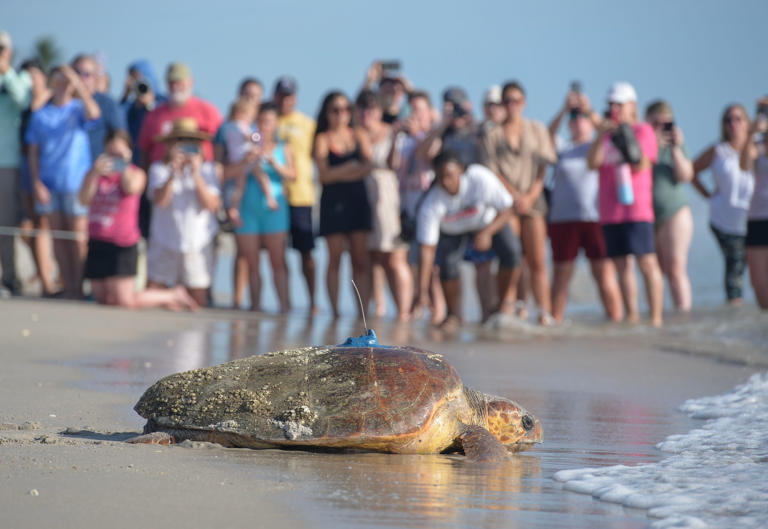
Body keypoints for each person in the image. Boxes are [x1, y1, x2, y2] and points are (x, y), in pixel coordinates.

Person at [78, 130, 197, 309]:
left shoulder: (136, 173)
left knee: (125, 301)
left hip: (122, 242)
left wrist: (124, 166)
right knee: (102, 297)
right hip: (98, 240)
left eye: (119, 153)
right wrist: (94, 174)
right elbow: (83, 199)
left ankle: (173, 294)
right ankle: (168, 297)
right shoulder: (94, 174)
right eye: (110, 153)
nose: (114, 158)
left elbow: (131, 188)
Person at [415, 150, 522, 329]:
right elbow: (427, 250)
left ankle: (501, 306)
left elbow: (507, 208)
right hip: (452, 231)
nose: (446, 182)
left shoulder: (480, 178)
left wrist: (487, 232)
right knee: (447, 263)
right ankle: (452, 314)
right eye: (440, 177)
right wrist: (422, 291)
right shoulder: (431, 201)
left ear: (462, 170)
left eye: (450, 175)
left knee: (512, 251)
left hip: (487, 223)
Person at [479, 80, 557, 324]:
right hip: (505, 202)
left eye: (516, 100)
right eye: (507, 101)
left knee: (537, 260)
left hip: (533, 199)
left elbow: (543, 167)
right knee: (511, 257)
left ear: (524, 102)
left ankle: (544, 313)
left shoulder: (537, 129)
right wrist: (513, 195)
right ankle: (509, 310)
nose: (512, 105)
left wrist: (530, 195)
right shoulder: (492, 134)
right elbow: (491, 171)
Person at [587, 82, 664, 326]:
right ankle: (632, 317)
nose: (615, 109)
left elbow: (641, 164)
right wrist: (600, 134)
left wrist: (625, 134)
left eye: (619, 104)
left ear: (632, 105)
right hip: (611, 211)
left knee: (647, 262)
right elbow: (592, 163)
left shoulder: (643, 130)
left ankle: (655, 318)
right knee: (621, 266)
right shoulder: (605, 134)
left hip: (637, 209)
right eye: (611, 105)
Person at [546, 88, 622, 323]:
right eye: (574, 119)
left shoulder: (601, 144)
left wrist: (588, 109)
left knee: (603, 273)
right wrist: (564, 109)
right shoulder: (562, 147)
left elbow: (609, 130)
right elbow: (547, 135)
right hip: (563, 219)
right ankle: (555, 320)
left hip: (594, 217)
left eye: (582, 119)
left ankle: (617, 322)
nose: (578, 122)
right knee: (561, 275)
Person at [26, 64, 102, 299]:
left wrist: (77, 83)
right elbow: (33, 152)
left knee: (78, 238)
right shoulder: (41, 114)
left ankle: (80, 287)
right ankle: (69, 287)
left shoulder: (78, 109)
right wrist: (36, 182)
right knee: (58, 238)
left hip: (76, 183)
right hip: (49, 183)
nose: (63, 83)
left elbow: (95, 114)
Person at [137, 62, 223, 237]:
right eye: (171, 82)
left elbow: (220, 144)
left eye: (179, 81)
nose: (175, 86)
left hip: (200, 176)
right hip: (164, 177)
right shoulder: (155, 115)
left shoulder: (207, 110)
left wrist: (214, 171)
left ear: (190, 82)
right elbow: (145, 150)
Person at [146, 118, 221, 307]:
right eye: (179, 141)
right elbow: (160, 201)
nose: (185, 147)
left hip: (197, 241)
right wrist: (172, 173)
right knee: (154, 292)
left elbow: (211, 204)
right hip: (164, 239)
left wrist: (196, 174)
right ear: (169, 145)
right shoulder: (159, 169)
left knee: (198, 300)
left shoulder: (208, 170)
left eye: (190, 142)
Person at [312, 91, 373, 318]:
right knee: (335, 258)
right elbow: (323, 176)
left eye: (346, 109)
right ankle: (335, 311)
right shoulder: (322, 138)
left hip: (357, 200)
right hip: (333, 202)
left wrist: (337, 173)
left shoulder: (359, 134)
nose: (341, 114)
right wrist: (349, 168)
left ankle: (362, 312)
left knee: (360, 258)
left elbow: (368, 166)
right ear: (327, 112)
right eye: (335, 110)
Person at [356, 89, 413, 321]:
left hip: (386, 194)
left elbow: (393, 164)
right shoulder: (355, 133)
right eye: (363, 109)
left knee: (394, 255)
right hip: (361, 194)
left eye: (372, 109)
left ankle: (404, 311)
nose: (367, 114)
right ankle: (376, 309)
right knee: (369, 256)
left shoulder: (391, 131)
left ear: (380, 111)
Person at [391, 90, 446, 324]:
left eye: (419, 110)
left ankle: (438, 310)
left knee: (432, 264)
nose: (414, 114)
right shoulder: (402, 140)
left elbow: (432, 156)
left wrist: (417, 134)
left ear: (430, 113)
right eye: (411, 109)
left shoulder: (434, 136)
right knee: (411, 260)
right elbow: (392, 165)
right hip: (406, 204)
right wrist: (396, 136)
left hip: (430, 205)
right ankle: (416, 306)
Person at [234, 102, 295, 313]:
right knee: (251, 262)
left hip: (274, 210)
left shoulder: (283, 148)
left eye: (268, 121)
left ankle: (284, 307)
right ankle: (255, 306)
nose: (264, 126)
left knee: (277, 260)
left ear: (276, 123)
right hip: (248, 208)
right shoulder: (247, 148)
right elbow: (236, 175)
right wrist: (248, 159)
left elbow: (293, 175)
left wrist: (274, 163)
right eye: (260, 121)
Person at [692, 104, 754, 307]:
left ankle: (755, 316)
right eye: (728, 120)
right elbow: (691, 171)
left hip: (754, 217)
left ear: (747, 122)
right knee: (735, 266)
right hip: (724, 220)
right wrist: (708, 194)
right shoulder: (718, 150)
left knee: (757, 268)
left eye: (738, 119)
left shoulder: (759, 147)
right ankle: (734, 315)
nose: (733, 124)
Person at [645, 100, 694, 312]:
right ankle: (661, 318)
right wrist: (652, 142)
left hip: (675, 213)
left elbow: (686, 175)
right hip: (648, 215)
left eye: (666, 123)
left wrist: (675, 148)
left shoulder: (677, 145)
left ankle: (683, 316)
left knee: (675, 270)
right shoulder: (642, 143)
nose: (661, 127)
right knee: (655, 270)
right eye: (655, 123)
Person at [273, 76, 318, 312]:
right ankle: (285, 302)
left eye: (289, 96)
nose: (285, 100)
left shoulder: (308, 124)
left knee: (305, 252)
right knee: (277, 254)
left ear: (296, 98)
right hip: (274, 196)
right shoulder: (268, 121)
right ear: (274, 96)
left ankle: (312, 302)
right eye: (281, 95)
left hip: (301, 195)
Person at [17, 59, 55, 296]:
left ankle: (49, 280)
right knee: (26, 226)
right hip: (24, 165)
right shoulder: (21, 102)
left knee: (44, 225)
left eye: (34, 74)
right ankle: (43, 273)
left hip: (47, 166)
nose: (31, 80)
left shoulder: (52, 100)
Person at [0, 30, 32, 296]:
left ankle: (9, 277)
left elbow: (22, 99)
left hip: (7, 163)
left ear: (9, 52)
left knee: (6, 224)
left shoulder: (19, 78)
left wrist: (5, 71)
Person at [739, 98, 768, 309]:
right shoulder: (757, 142)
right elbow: (744, 165)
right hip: (756, 216)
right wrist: (750, 134)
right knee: (758, 282)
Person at [71, 54, 126, 161]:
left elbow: (120, 137)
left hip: (99, 168)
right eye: (77, 73)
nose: (80, 79)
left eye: (86, 74)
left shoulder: (108, 104)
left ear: (96, 78)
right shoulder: (62, 103)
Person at [120, 60, 165, 165]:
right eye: (133, 78)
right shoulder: (131, 108)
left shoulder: (163, 102)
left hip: (158, 161)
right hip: (136, 160)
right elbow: (117, 121)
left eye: (138, 77)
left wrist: (151, 105)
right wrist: (125, 95)